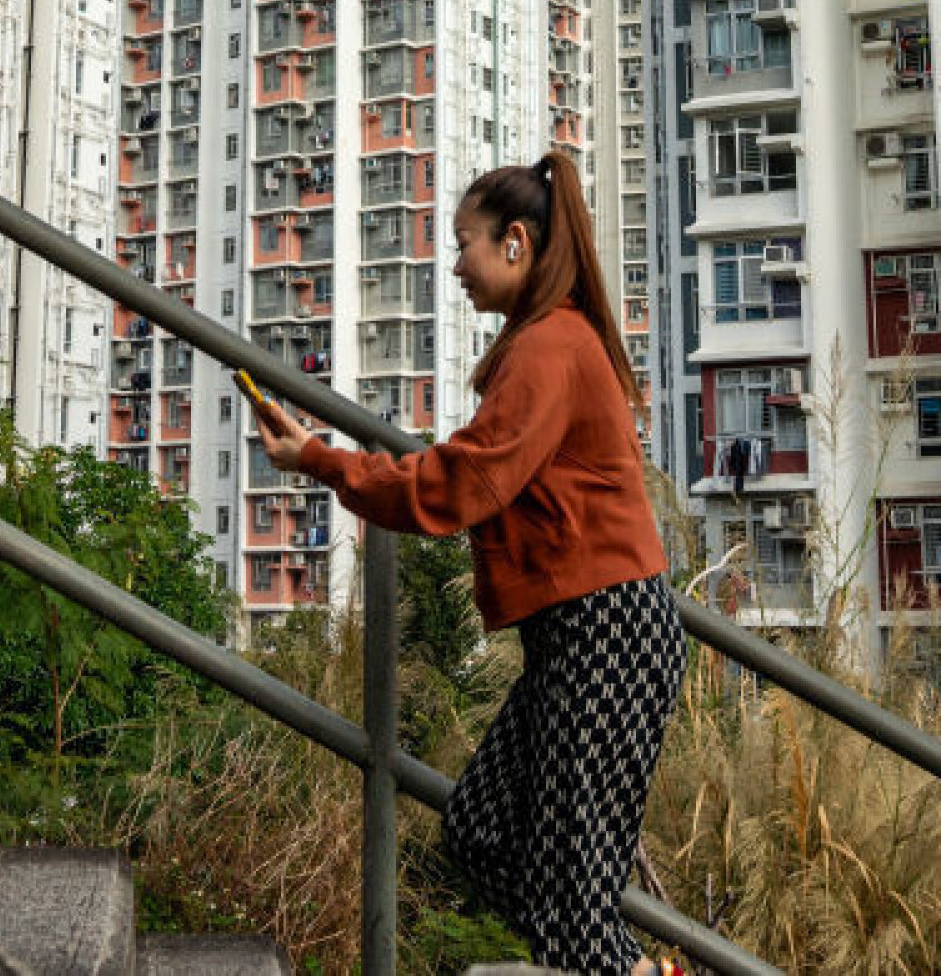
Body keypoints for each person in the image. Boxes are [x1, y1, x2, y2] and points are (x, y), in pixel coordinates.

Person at [248, 152, 684, 976]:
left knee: (571, 905)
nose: (455, 267)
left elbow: (462, 483)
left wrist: (322, 461)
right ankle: (625, 966)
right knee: (481, 832)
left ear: (515, 242)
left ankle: (622, 967)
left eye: (463, 245)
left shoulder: (551, 345)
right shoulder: (547, 341)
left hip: (610, 637)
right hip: (582, 640)